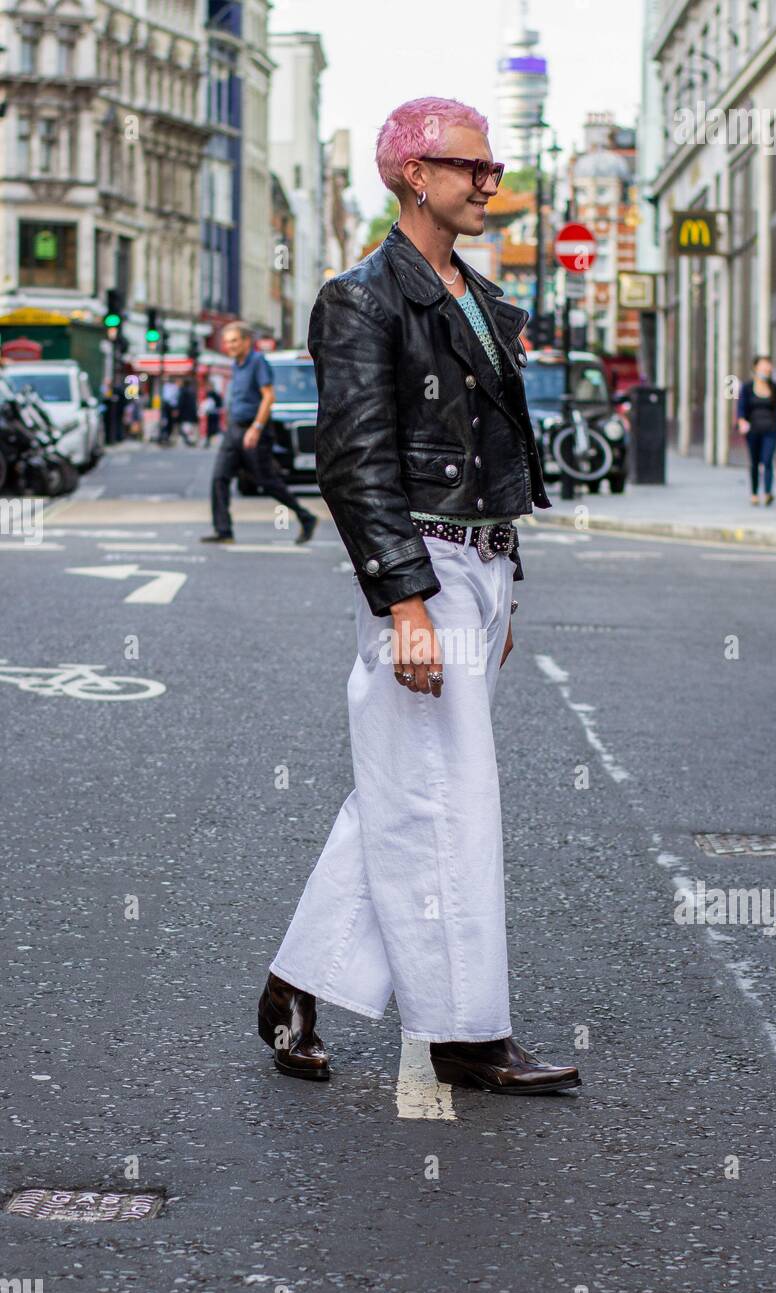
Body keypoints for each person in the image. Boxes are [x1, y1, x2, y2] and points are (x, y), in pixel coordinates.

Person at [259, 96, 582, 1095]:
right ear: (411, 172)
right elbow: (353, 460)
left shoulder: (477, 299)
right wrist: (404, 600)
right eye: (469, 167)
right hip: (423, 570)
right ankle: (462, 1032)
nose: (488, 184)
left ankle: (293, 986)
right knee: (448, 802)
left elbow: (494, 453)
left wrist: (502, 587)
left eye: (489, 170)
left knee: (408, 792)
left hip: (473, 570)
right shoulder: (361, 297)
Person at [200, 322, 317, 544]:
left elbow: (268, 396)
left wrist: (256, 428)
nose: (229, 346)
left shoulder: (257, 362)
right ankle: (223, 531)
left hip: (253, 430)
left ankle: (306, 517)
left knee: (267, 481)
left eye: (234, 341)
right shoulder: (236, 364)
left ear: (246, 341)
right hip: (234, 430)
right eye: (226, 342)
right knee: (219, 478)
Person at [736, 355, 776, 506]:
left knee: (767, 460)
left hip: (771, 429)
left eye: (768, 366)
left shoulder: (775, 388)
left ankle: (767, 492)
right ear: (755, 368)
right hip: (753, 430)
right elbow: (741, 408)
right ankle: (754, 493)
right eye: (763, 366)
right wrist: (741, 422)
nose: (766, 369)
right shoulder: (747, 388)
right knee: (754, 462)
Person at [177, 378, 199, 447]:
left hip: (185, 413)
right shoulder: (192, 391)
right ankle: (189, 440)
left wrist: (178, 410)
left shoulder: (183, 391)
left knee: (184, 427)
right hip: (190, 413)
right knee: (187, 427)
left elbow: (181, 403)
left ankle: (188, 440)